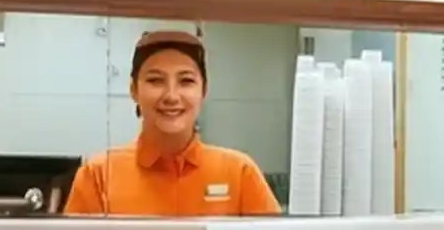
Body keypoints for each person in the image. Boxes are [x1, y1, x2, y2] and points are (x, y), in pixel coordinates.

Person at [66, 30, 282, 216]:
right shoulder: (98, 176)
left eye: (186, 81)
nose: (171, 96)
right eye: (155, 80)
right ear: (134, 90)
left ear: (204, 91)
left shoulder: (240, 173)